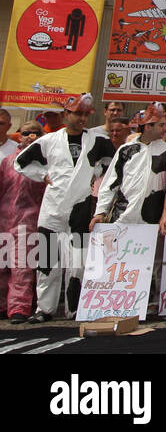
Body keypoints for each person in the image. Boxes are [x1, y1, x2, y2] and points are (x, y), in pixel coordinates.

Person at [14, 93, 116, 322]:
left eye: (85, 115)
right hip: (52, 210)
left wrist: (97, 173)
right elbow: (20, 162)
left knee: (77, 264)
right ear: (66, 114)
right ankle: (44, 309)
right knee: (47, 261)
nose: (82, 119)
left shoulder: (98, 140)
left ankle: (74, 309)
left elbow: (113, 162)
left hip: (80, 209)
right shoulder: (48, 141)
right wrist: (42, 175)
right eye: (78, 114)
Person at [92, 102, 166, 227]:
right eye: (161, 125)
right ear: (148, 127)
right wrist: (100, 212)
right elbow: (110, 183)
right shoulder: (126, 150)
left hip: (151, 223)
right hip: (121, 219)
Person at [0, 121, 44, 322]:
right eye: (26, 133)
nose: (30, 137)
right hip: (3, 219)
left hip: (28, 220)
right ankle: (2, 305)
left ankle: (19, 307)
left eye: (35, 133)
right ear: (19, 135)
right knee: (1, 265)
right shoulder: (8, 161)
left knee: (22, 266)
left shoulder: (44, 164)